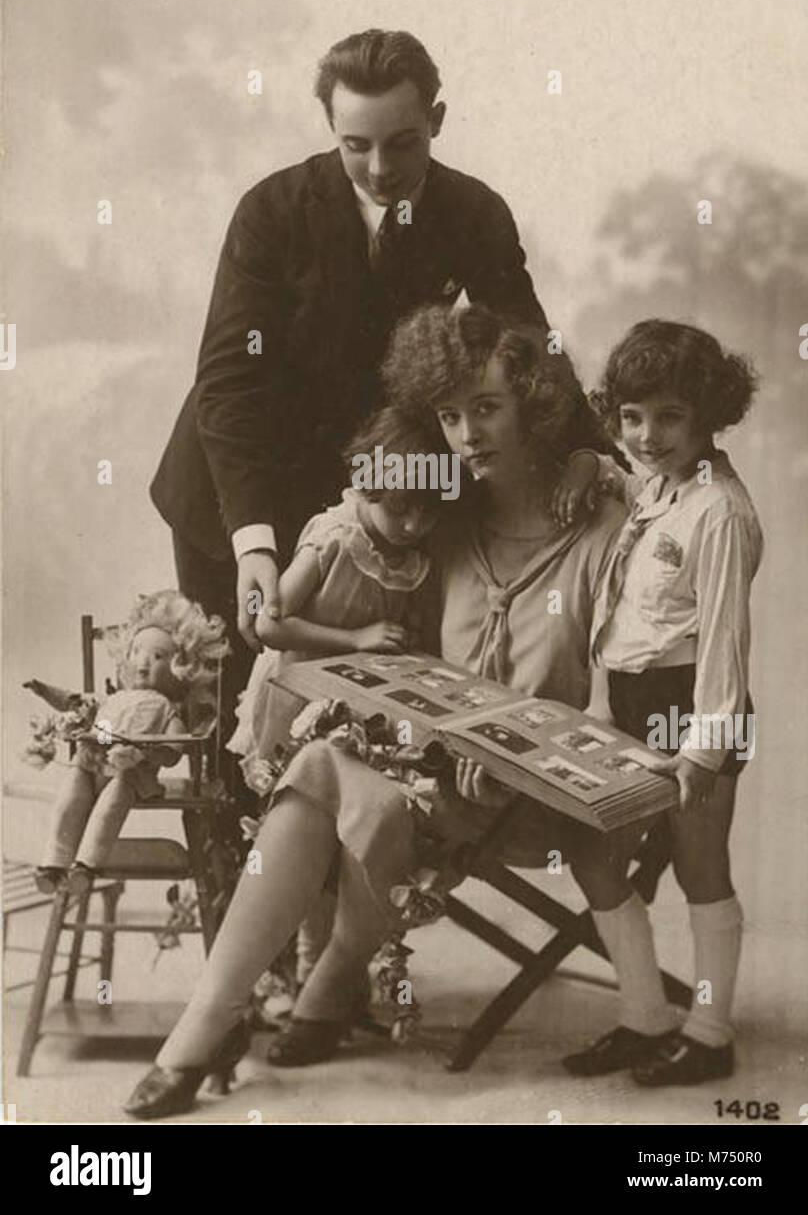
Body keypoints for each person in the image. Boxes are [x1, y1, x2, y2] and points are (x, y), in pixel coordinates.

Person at [124, 304, 624, 1119]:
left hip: (538, 792)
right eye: (451, 415)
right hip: (432, 777)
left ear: (533, 402)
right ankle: (217, 1020)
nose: (466, 435)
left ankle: (311, 987)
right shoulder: (449, 519)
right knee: (329, 768)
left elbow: (632, 659)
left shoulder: (600, 516)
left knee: (351, 788)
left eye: (487, 409)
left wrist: (595, 463)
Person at [149, 29, 618, 731]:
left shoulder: (474, 213)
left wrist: (588, 448)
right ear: (331, 129)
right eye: (355, 145)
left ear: (437, 119)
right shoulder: (270, 212)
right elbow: (226, 380)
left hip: (370, 496)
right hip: (235, 490)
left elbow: (527, 339)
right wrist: (254, 541)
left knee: (359, 714)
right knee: (235, 712)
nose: (378, 168)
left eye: (402, 143)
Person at [562, 320, 762, 1086]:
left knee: (698, 864)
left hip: (692, 703)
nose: (646, 435)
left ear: (708, 414)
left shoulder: (720, 511)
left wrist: (703, 747)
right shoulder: (662, 486)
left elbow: (723, 641)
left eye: (669, 417)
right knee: (594, 850)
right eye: (632, 416)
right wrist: (595, 465)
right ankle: (644, 1017)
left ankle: (709, 1035)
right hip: (634, 700)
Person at [228, 405, 449, 1002]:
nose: (409, 524)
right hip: (295, 702)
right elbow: (270, 625)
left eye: (426, 510)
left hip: (353, 715)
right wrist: (354, 640)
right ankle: (292, 975)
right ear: (369, 484)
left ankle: (329, 979)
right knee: (295, 835)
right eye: (398, 507)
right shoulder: (337, 536)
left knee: (343, 837)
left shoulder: (414, 554)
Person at [26, 592, 228, 897]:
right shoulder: (112, 699)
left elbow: (175, 751)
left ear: (180, 668)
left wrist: (143, 752)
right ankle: (54, 863)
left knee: (111, 804)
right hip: (90, 762)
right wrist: (43, 691)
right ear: (125, 656)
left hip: (132, 773)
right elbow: (72, 701)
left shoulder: (165, 708)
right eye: (136, 651)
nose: (144, 662)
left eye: (159, 656)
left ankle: (86, 865)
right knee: (70, 796)